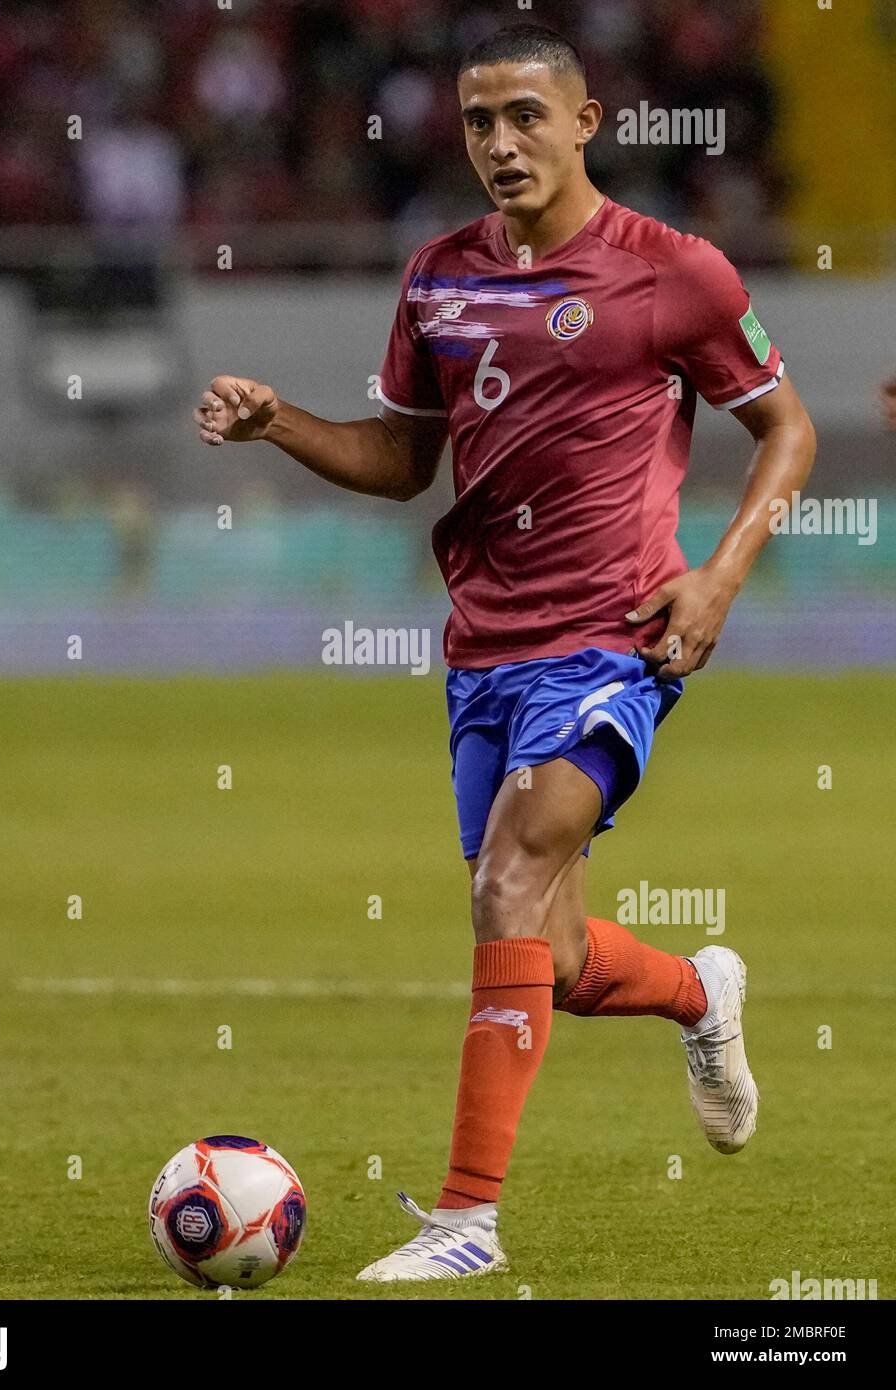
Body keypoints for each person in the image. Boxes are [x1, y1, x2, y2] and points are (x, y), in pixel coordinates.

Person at [194, 23, 816, 1282]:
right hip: (483, 649)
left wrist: (716, 579)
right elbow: (398, 462)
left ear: (584, 123)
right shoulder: (436, 279)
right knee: (559, 957)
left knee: (502, 890)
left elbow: (785, 430)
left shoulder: (671, 273)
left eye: (526, 116)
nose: (499, 143)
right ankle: (699, 993)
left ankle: (465, 1221)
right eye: (479, 122)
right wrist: (280, 426)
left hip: (612, 639)